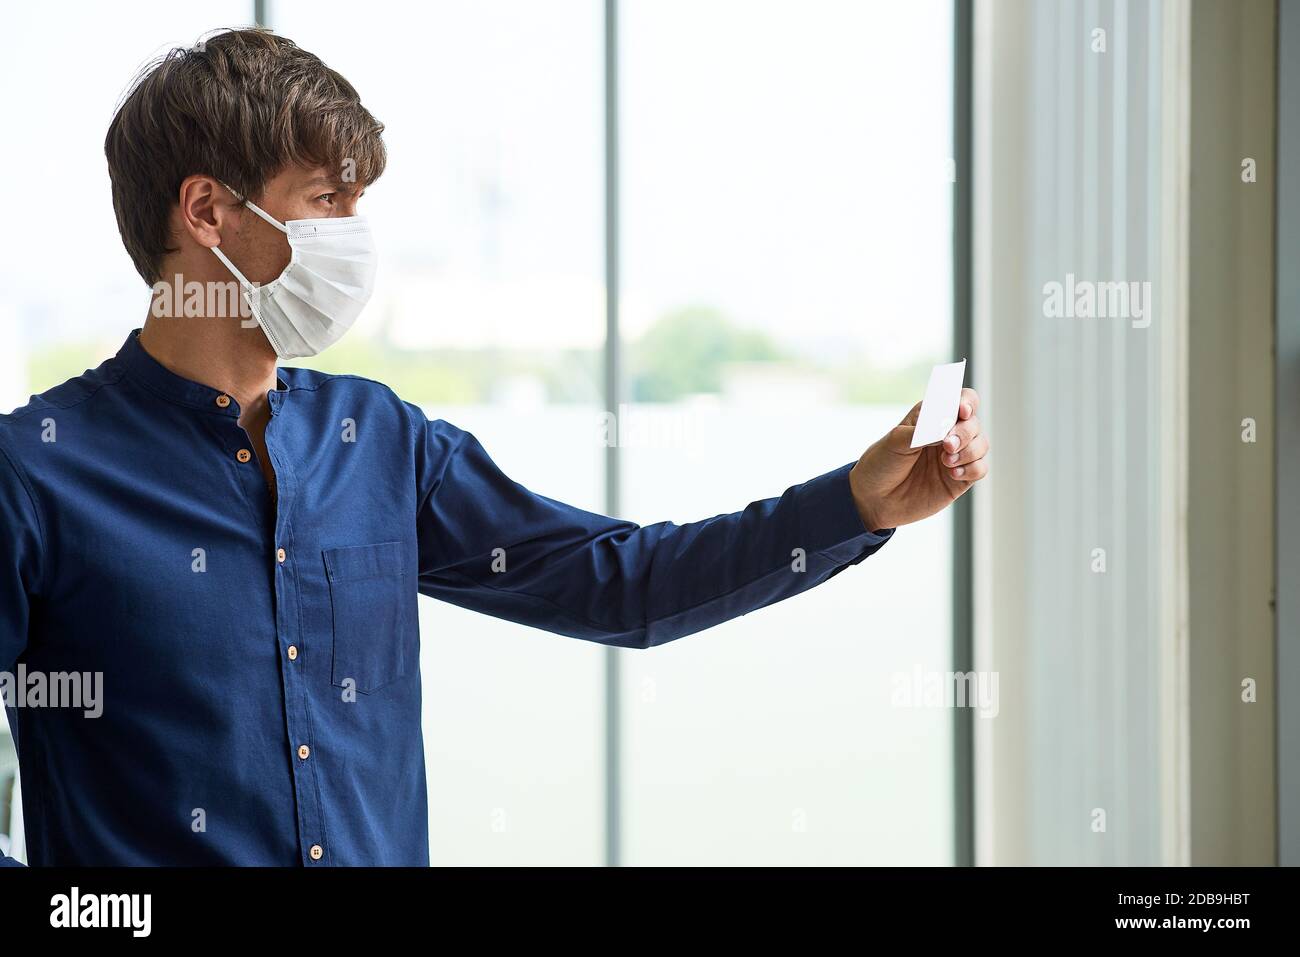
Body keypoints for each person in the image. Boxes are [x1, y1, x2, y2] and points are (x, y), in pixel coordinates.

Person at [0, 28, 988, 866]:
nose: (358, 237)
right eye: (327, 201)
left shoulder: (378, 441)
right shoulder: (34, 474)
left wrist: (854, 507)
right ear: (209, 212)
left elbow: (618, 582)